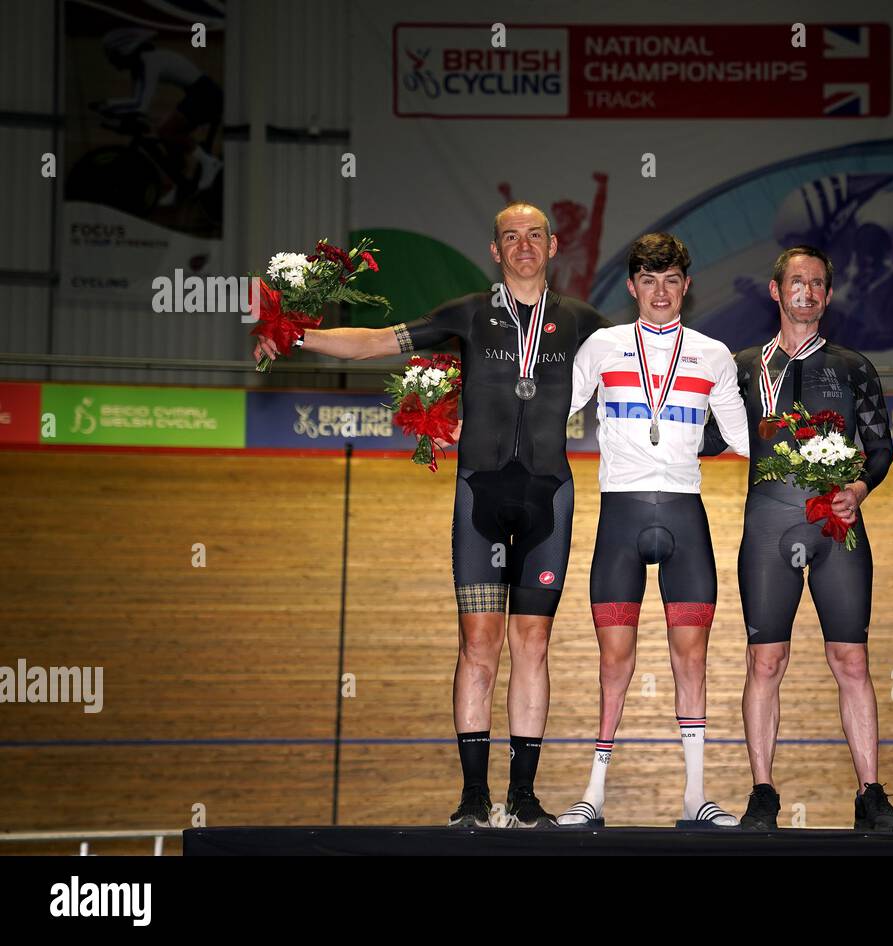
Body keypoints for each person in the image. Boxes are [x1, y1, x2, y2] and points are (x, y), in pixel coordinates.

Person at [253, 203, 609, 828]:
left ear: (553, 247)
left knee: (533, 644)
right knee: (478, 646)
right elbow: (371, 344)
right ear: (496, 251)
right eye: (510, 238)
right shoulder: (469, 312)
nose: (523, 246)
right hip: (480, 495)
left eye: (535, 236)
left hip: (548, 500)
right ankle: (474, 797)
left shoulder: (585, 323)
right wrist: (291, 331)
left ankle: (523, 798)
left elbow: (654, 358)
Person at [700, 245, 893, 832]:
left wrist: (860, 490)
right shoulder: (742, 366)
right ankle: (763, 794)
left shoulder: (853, 367)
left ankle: (870, 794)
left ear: (827, 294)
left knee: (851, 659)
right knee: (765, 661)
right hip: (768, 524)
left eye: (818, 283)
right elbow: (713, 439)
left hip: (836, 525)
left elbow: (880, 447)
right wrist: (656, 428)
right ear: (776, 291)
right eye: (797, 281)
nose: (807, 291)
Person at [558, 233, 749, 828]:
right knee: (614, 662)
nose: (660, 292)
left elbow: (747, 441)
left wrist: (820, 463)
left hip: (686, 517)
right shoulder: (603, 346)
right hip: (621, 516)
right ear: (633, 286)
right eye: (649, 280)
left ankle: (695, 798)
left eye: (671, 281)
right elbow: (546, 412)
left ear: (686, 287)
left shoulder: (714, 355)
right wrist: (474, 421)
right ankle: (593, 794)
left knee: (691, 660)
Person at [95, 28, 224, 202]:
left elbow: (141, 105)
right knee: (164, 133)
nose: (110, 62)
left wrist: (107, 105)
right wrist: (110, 108)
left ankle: (209, 162)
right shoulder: (139, 65)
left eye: (112, 56)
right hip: (199, 94)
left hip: (206, 95)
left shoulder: (150, 62)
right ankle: (182, 185)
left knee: (166, 131)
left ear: (125, 52)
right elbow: (136, 102)